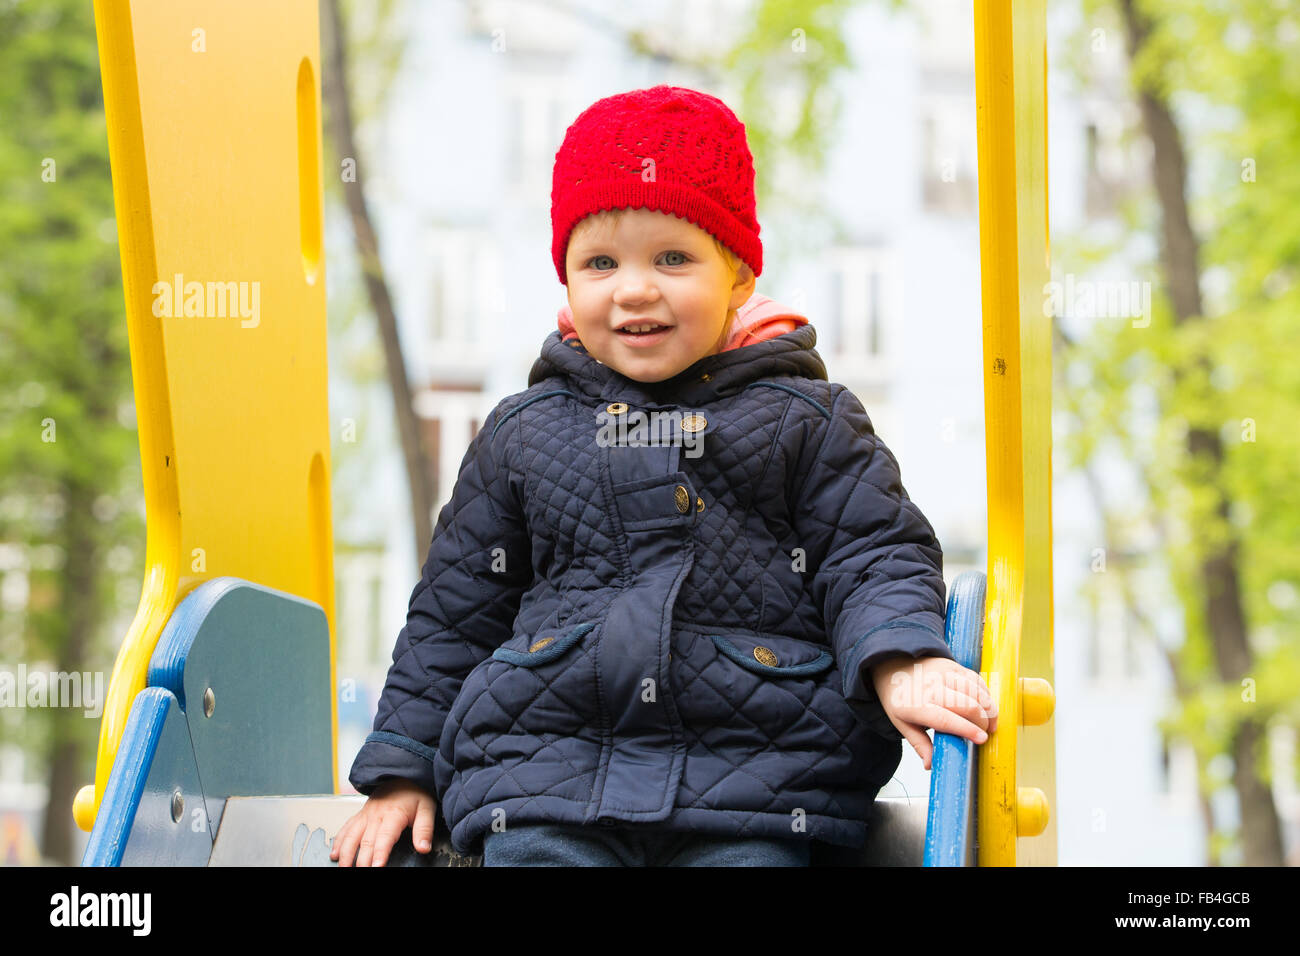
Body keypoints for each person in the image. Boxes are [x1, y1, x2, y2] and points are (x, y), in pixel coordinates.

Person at [331, 85, 996, 868]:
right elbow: (455, 614)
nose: (635, 287)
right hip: (547, 775)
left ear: (741, 277)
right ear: (569, 288)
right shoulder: (522, 431)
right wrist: (404, 766)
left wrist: (899, 658)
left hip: (758, 781)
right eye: (600, 261)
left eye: (673, 258)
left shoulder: (804, 421)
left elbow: (870, 554)